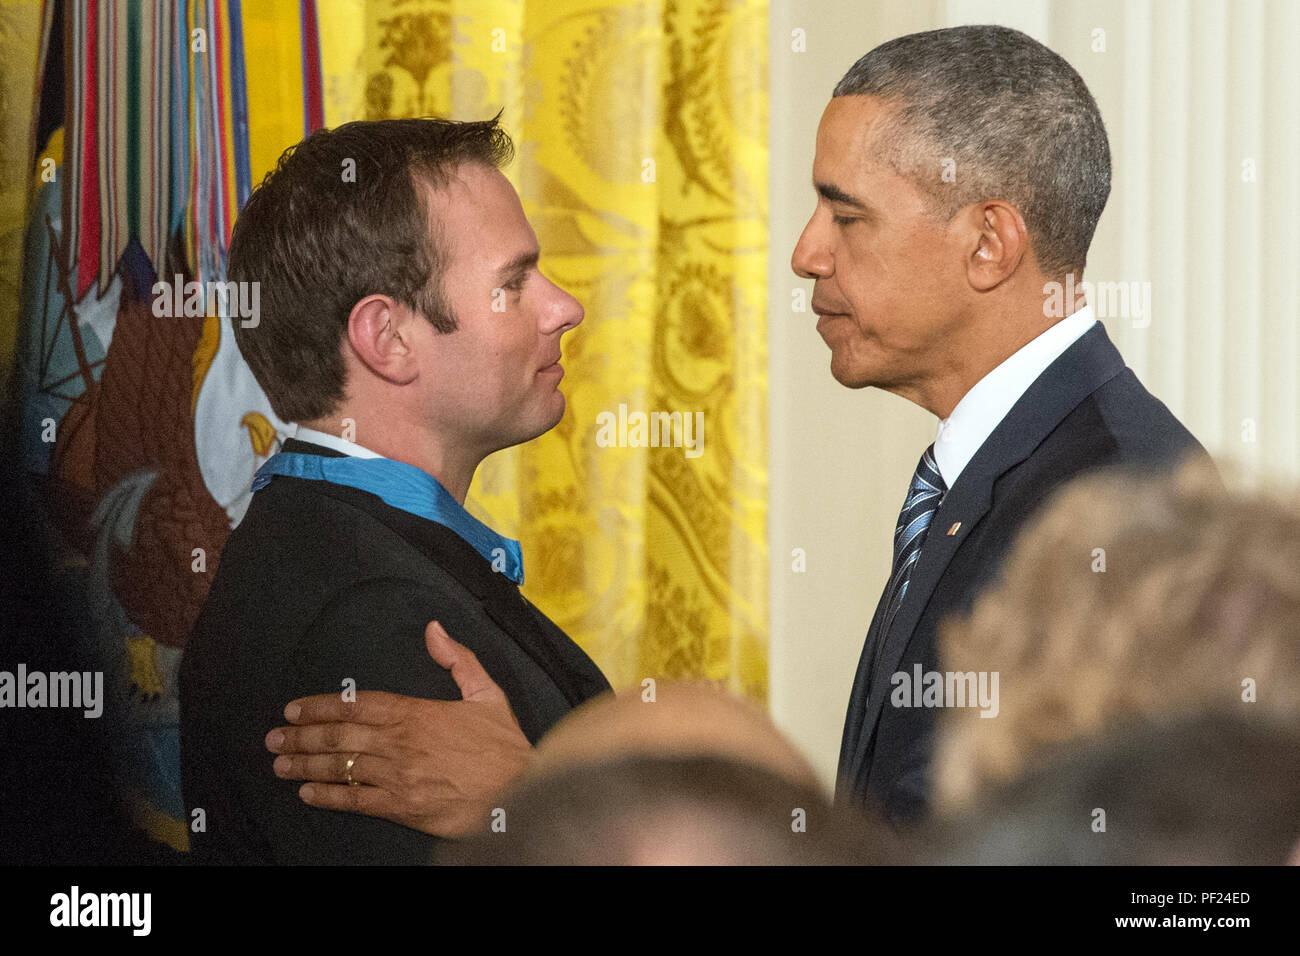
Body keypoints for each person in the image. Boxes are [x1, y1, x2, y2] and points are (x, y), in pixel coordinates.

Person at [267, 25, 1213, 836]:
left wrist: (539, 806)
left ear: (989, 243)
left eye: (845, 214)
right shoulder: (1021, 469)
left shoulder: (1115, 512)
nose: (807, 252)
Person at [179, 116, 610, 864]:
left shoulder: (348, 550)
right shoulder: (369, 618)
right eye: (514, 283)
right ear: (388, 339)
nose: (564, 308)